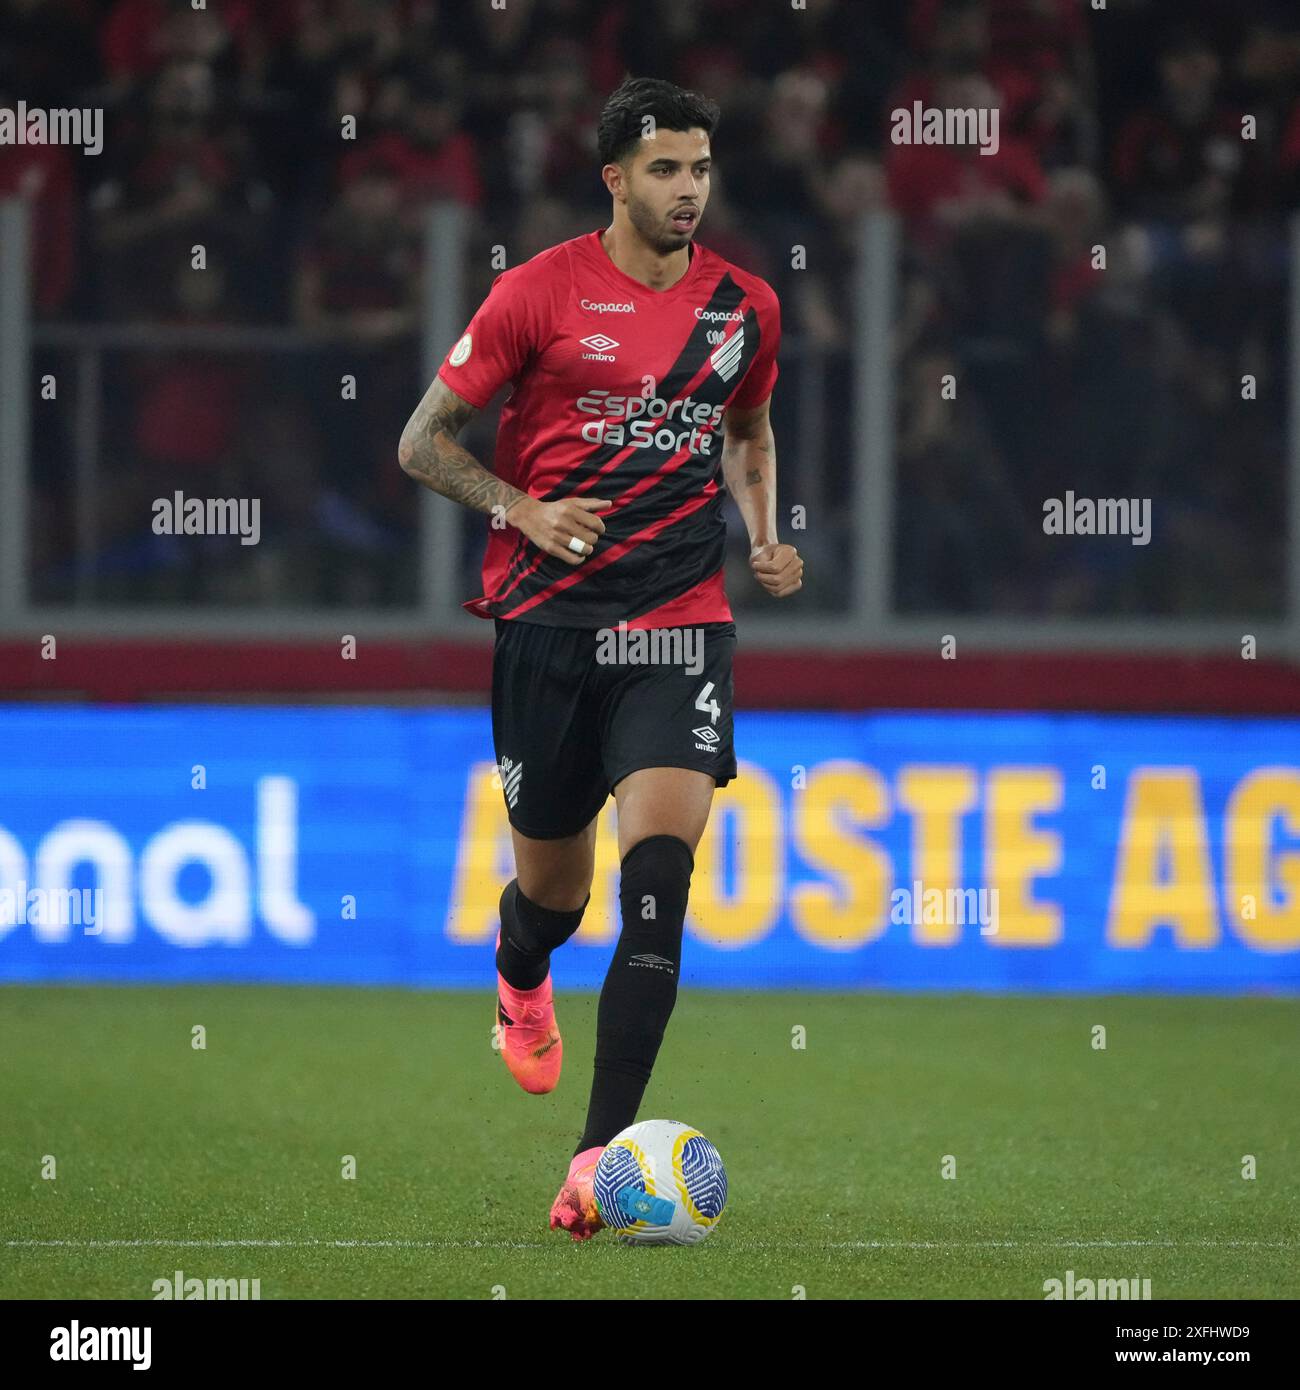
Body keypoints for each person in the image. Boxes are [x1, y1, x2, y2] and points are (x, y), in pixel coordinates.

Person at [398, 75, 803, 1240]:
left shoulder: (745, 310)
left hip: (679, 621)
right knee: (554, 895)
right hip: (545, 628)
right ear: (615, 177)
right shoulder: (537, 293)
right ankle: (520, 974)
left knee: (657, 888)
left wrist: (768, 538)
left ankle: (594, 1159)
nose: (689, 190)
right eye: (666, 169)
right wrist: (519, 508)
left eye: (702, 168)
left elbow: (748, 429)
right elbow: (422, 440)